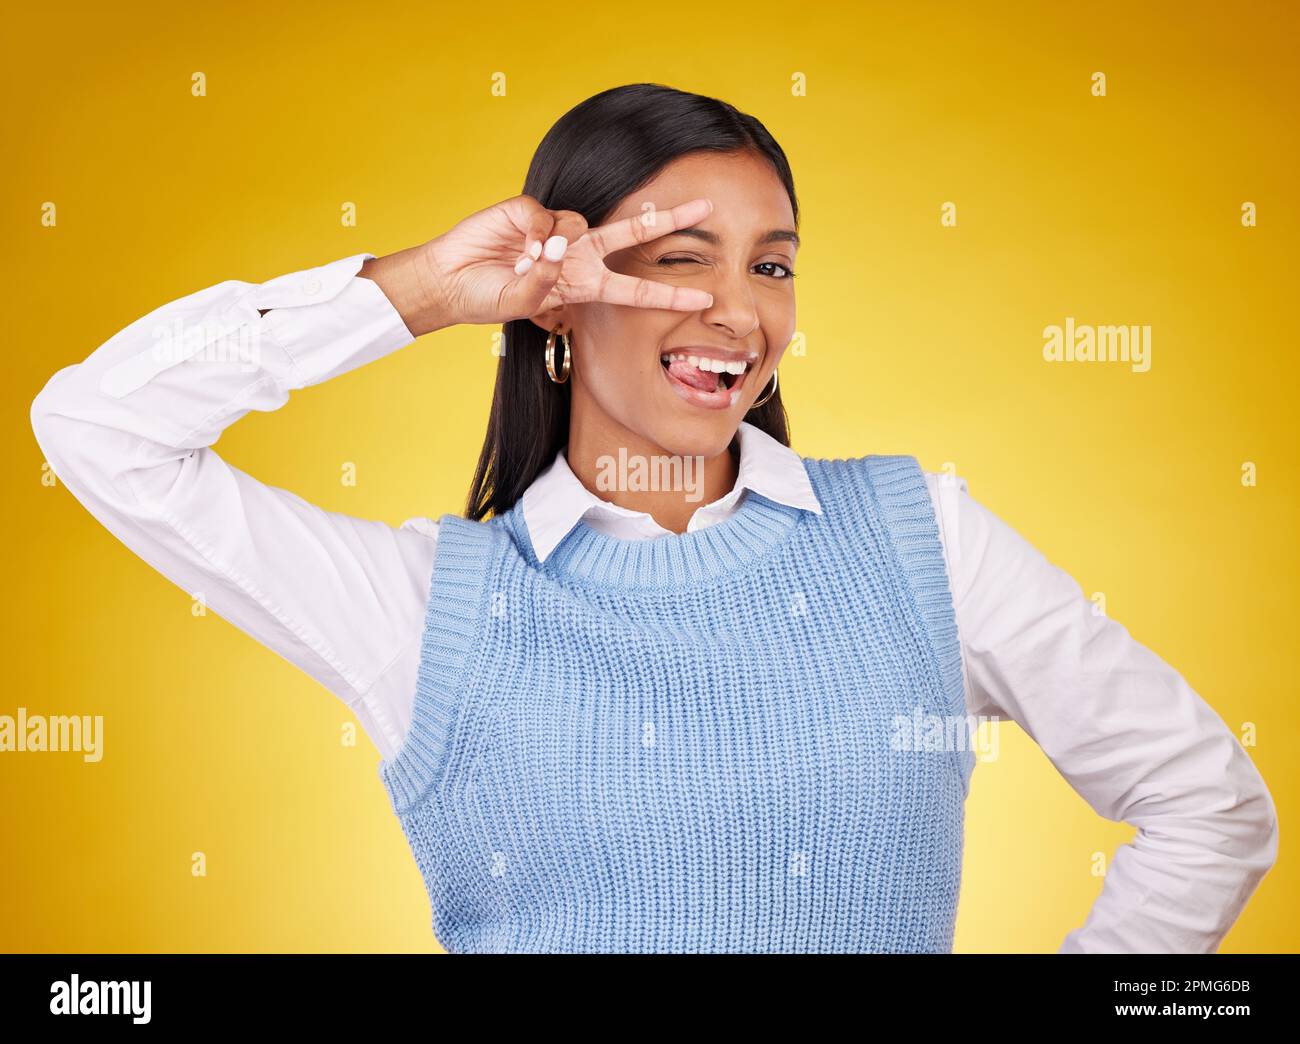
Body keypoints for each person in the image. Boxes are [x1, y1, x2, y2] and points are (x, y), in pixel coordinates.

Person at [29, 82, 1277, 954]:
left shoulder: (921, 539)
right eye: (680, 257)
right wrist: (417, 291)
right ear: (557, 301)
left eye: (771, 265)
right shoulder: (427, 606)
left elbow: (1207, 805)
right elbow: (96, 426)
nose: (739, 312)